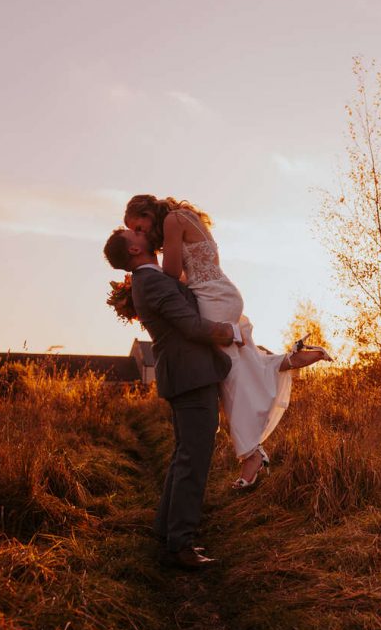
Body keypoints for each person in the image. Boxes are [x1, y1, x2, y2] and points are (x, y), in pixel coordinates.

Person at [123, 194, 331, 489]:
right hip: (220, 294)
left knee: (228, 376)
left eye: (139, 227)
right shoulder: (183, 216)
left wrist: (142, 282)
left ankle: (251, 453)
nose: (141, 234)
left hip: (211, 298)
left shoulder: (171, 221)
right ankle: (285, 362)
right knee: (237, 366)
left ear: (147, 213)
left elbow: (170, 274)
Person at [103, 226, 240, 570]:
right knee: (194, 460)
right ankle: (181, 544)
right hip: (191, 376)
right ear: (133, 251)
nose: (141, 233)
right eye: (133, 234)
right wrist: (233, 332)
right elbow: (192, 326)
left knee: (184, 457)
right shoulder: (152, 283)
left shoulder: (151, 280)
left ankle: (167, 532)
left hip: (184, 375)